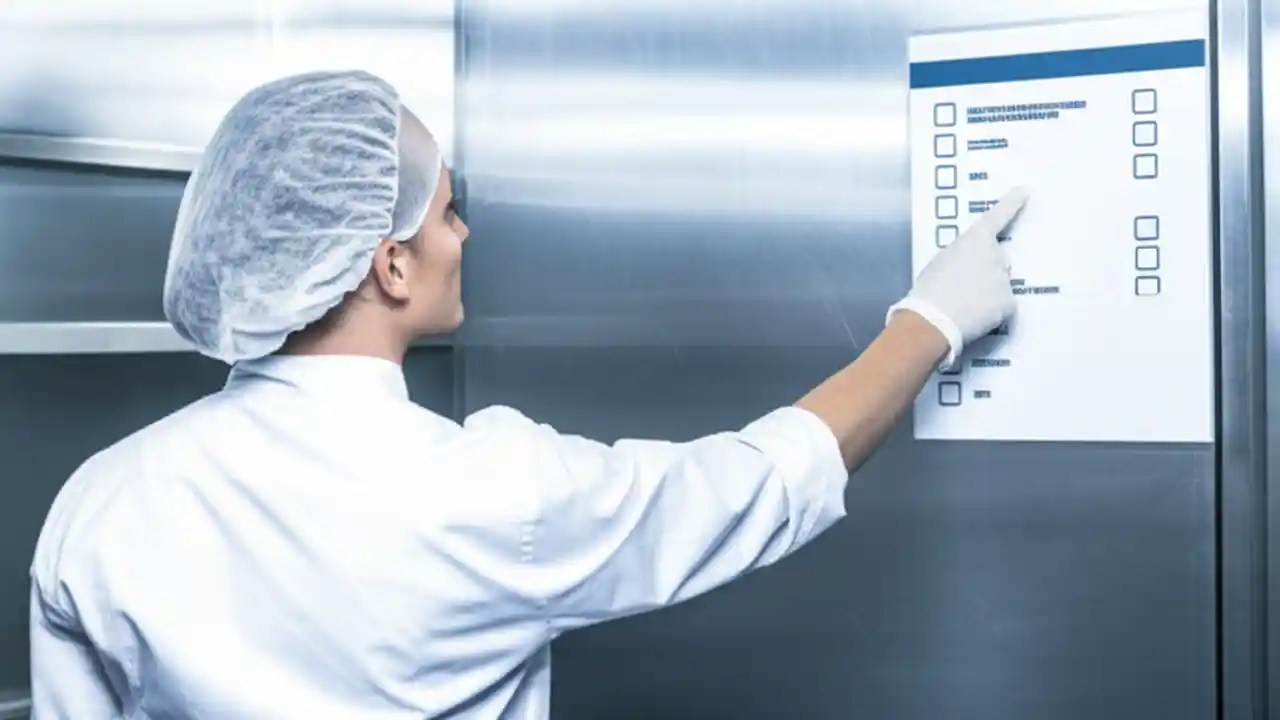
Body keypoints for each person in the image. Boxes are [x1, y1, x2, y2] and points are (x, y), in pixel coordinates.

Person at [28, 70, 1026, 718]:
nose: (463, 235)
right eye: (449, 210)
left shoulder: (101, 502)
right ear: (389, 266)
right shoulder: (487, 490)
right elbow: (753, 486)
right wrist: (927, 323)